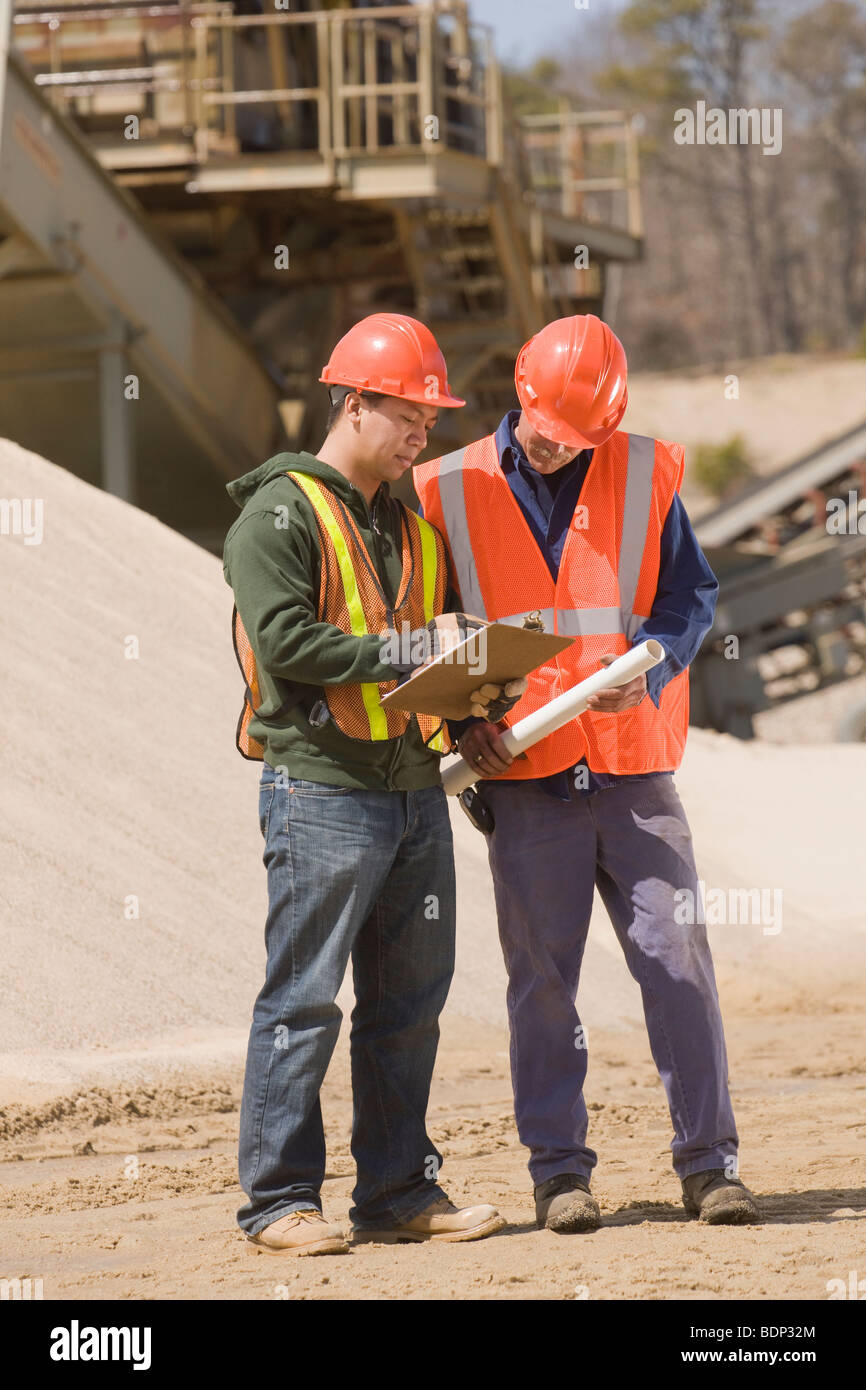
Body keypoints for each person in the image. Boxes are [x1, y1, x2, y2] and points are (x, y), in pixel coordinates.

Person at [414, 314, 761, 1233]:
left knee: (677, 958)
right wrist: (460, 722)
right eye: (548, 431)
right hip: (525, 773)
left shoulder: (642, 469)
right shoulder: (444, 489)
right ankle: (559, 1176)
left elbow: (690, 594)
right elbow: (427, 628)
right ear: (520, 392)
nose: (561, 449)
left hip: (632, 766)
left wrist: (651, 660)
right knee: (542, 982)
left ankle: (710, 1166)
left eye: (580, 439)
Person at [223, 313, 519, 1255]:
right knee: (303, 1000)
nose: (422, 436)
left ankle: (395, 1191)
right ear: (354, 403)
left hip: (410, 789)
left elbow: (421, 659)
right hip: (320, 794)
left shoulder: (409, 526)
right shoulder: (277, 513)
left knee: (408, 1006)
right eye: (410, 416)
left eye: (432, 422)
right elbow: (284, 643)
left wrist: (473, 700)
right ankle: (278, 1202)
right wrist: (407, 649)